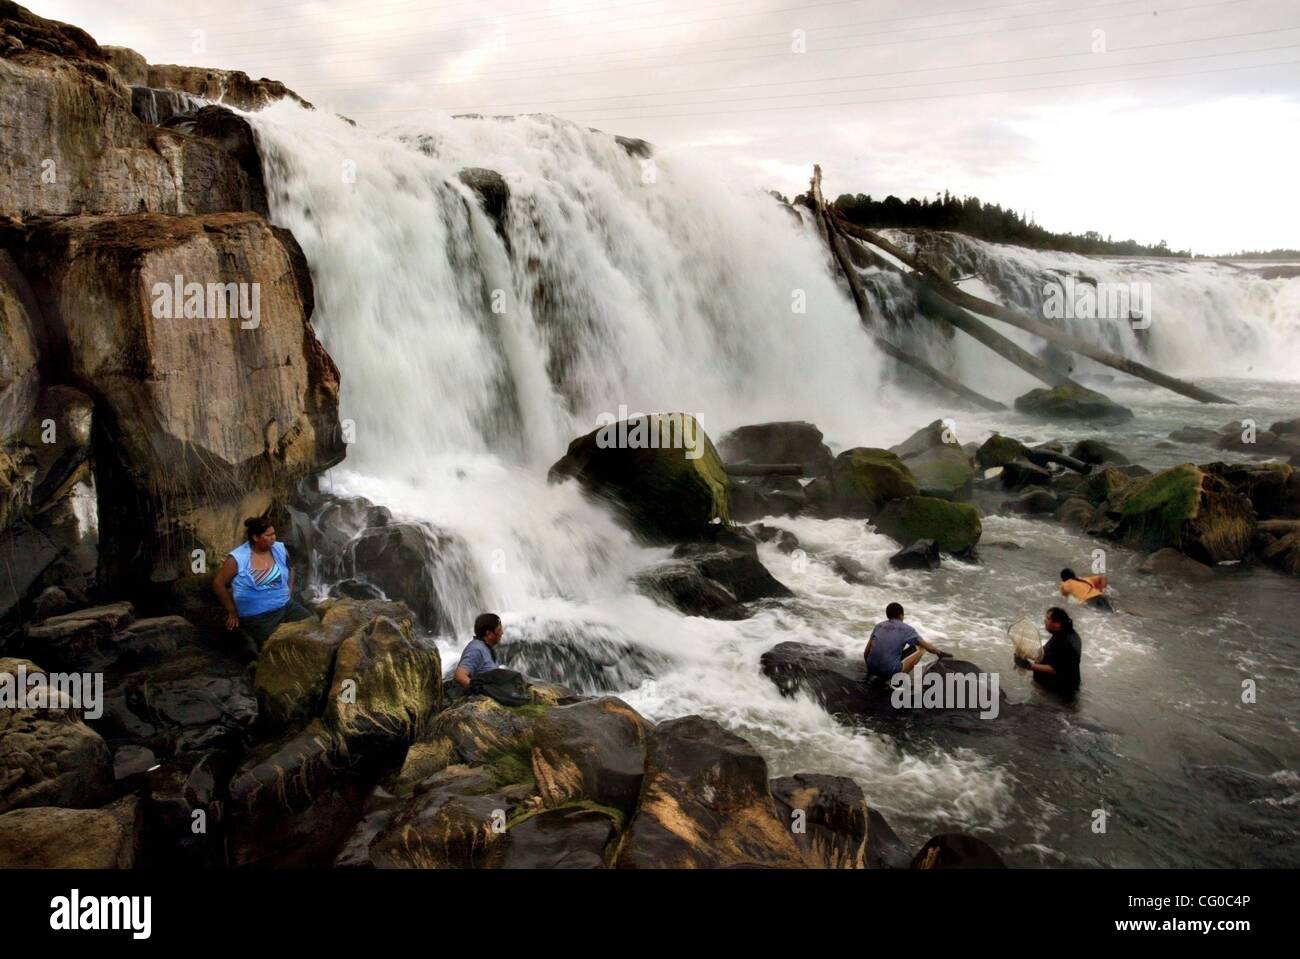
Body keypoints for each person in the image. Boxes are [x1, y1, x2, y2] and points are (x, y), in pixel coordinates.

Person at [213, 515, 314, 654]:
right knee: (278, 648)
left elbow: (291, 568)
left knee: (313, 626)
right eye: (268, 535)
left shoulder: (279, 548)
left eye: (274, 533)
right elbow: (218, 584)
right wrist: (232, 611)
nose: (273, 537)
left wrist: (288, 591)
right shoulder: (238, 559)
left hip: (286, 606)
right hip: (258, 616)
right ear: (255, 537)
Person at [864, 602, 950, 681]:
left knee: (907, 646)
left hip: (871, 668)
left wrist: (869, 669)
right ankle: (897, 681)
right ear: (901, 615)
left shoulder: (879, 626)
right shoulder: (906, 629)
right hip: (889, 672)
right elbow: (929, 648)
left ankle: (877, 672)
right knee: (922, 647)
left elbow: (866, 653)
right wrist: (940, 653)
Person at [1016, 606, 1082, 696]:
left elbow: (1055, 669)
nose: (1045, 621)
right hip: (1052, 688)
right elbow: (1048, 652)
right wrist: (1025, 653)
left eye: (1048, 618)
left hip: (1058, 693)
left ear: (1057, 623)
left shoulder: (1066, 642)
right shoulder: (1063, 632)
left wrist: (1028, 665)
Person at [454, 613, 505, 689]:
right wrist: (479, 691)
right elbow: (459, 675)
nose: (502, 633)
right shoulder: (476, 650)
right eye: (499, 630)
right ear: (489, 634)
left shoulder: (488, 647)